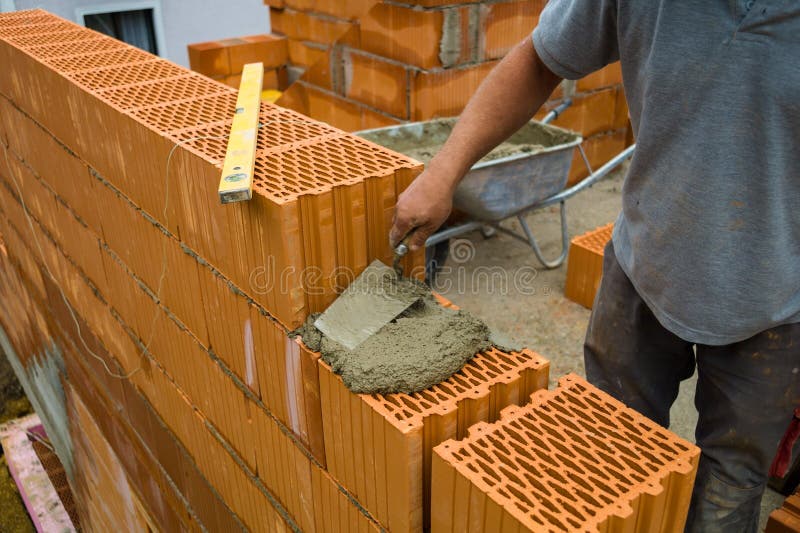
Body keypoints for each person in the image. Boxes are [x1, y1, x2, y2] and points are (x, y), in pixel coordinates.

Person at [388, 1, 800, 530]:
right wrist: (441, 174)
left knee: (727, 493)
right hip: (643, 268)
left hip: (773, 305)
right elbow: (539, 59)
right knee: (608, 458)